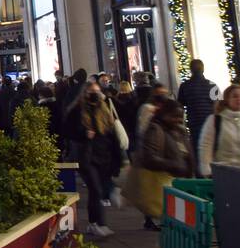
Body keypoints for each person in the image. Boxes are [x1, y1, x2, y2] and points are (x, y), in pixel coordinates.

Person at [123, 96, 194, 231]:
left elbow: (187, 151)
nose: (178, 120)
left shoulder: (179, 130)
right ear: (165, 114)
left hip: (177, 177)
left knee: (178, 214)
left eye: (180, 117)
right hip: (163, 178)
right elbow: (149, 157)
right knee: (170, 212)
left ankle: (175, 228)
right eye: (174, 116)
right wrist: (174, 165)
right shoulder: (155, 129)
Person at [64, 81, 122, 237]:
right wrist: (84, 133)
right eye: (91, 91)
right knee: (95, 189)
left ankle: (95, 223)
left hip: (102, 156)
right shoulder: (77, 111)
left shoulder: (103, 109)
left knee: (98, 190)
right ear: (84, 93)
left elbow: (112, 135)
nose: (94, 94)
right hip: (86, 157)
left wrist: (118, 158)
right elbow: (69, 131)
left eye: (97, 91)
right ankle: (98, 223)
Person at [197, 84, 240, 177]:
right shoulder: (214, 120)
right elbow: (206, 146)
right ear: (227, 99)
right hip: (225, 173)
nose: (239, 99)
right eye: (235, 96)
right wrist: (207, 170)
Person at [177, 59, 217, 141]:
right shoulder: (212, 85)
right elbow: (218, 105)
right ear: (203, 69)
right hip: (210, 122)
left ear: (191, 70)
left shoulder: (185, 86)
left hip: (194, 122)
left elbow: (180, 105)